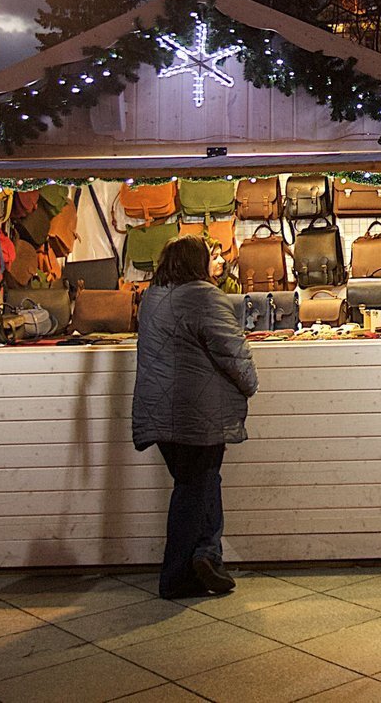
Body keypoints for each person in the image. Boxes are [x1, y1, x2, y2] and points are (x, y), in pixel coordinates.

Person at [132, 235, 256, 600]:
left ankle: (208, 556)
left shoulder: (153, 297)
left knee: (203, 483)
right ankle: (177, 577)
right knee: (192, 489)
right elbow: (234, 353)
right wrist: (250, 385)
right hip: (197, 412)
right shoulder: (204, 295)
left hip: (159, 410)